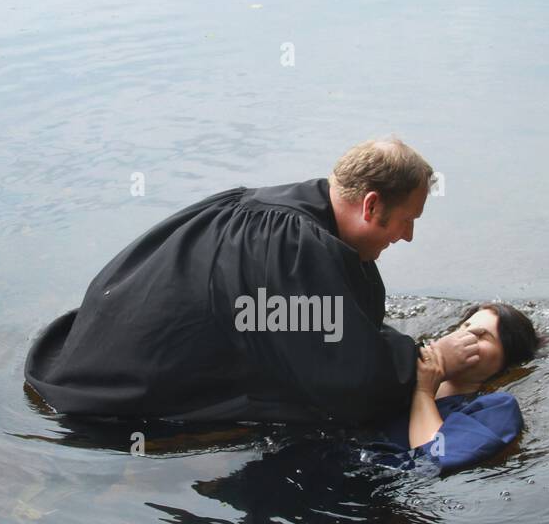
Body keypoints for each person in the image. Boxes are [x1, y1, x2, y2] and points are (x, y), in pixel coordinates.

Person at [24, 138, 482, 424]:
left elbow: (320, 329)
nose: (408, 236)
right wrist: (434, 361)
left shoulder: (270, 210)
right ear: (370, 205)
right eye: (407, 220)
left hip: (84, 349)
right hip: (104, 397)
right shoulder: (293, 247)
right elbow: (345, 383)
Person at [361, 303, 542, 475]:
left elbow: (430, 461)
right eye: (464, 327)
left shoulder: (496, 409)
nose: (466, 335)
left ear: (506, 364)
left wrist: (424, 391)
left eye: (482, 336)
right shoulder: (400, 372)